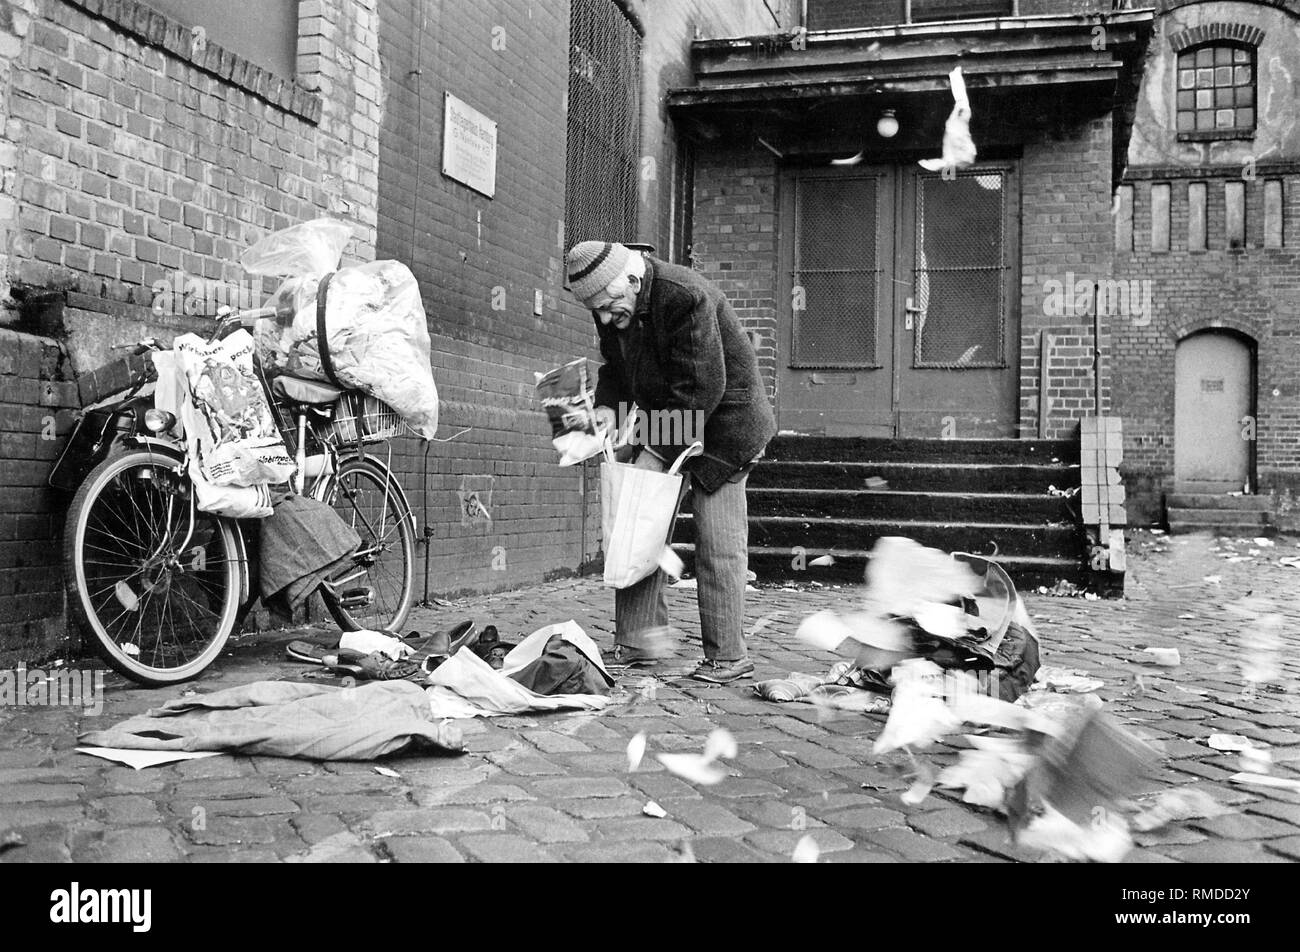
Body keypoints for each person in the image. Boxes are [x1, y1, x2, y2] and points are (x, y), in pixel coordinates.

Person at [565, 240, 776, 683]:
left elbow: (700, 389)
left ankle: (729, 657)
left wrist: (654, 454)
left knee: (718, 540)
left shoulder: (684, 295)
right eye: (597, 311)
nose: (605, 318)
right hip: (669, 414)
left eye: (608, 306)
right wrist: (606, 408)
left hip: (725, 425)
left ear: (634, 280)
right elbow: (616, 370)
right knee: (637, 518)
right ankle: (641, 642)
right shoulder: (613, 300)